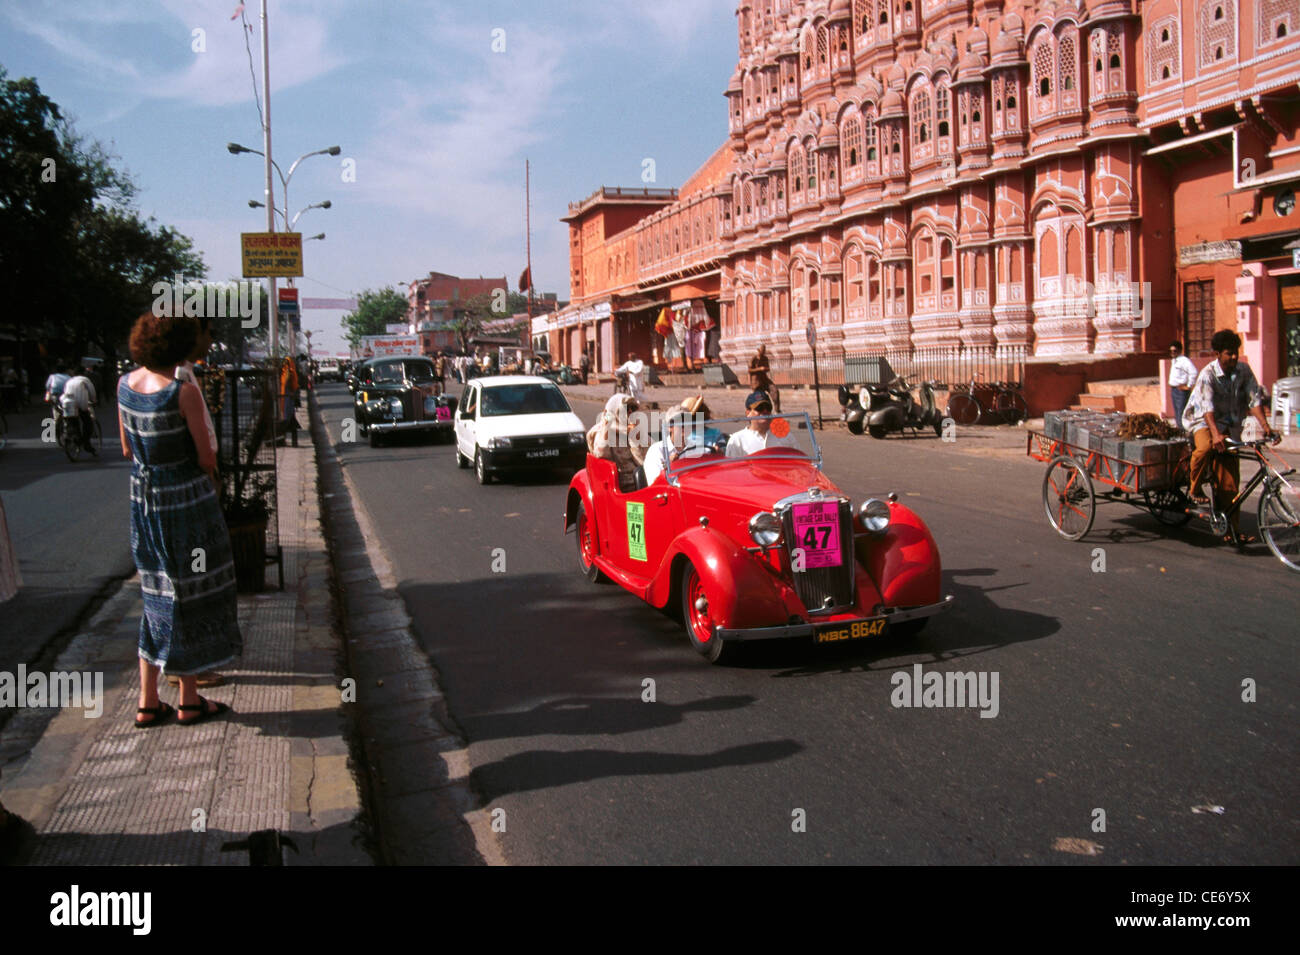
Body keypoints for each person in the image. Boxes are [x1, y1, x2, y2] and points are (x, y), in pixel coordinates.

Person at [118, 312, 240, 727]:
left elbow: (127, 450)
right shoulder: (181, 392)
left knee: (156, 592)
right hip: (185, 502)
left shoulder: (123, 386)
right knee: (191, 592)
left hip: (143, 501)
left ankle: (148, 700)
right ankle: (189, 699)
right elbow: (206, 457)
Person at [1182, 328, 1277, 542]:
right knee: (1205, 447)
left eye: (1235, 352)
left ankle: (1233, 532)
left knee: (1230, 483)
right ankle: (1193, 487)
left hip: (1229, 426)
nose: (1233, 356)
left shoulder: (1243, 371)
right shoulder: (1208, 374)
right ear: (1217, 354)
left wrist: (1266, 426)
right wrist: (1215, 435)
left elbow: (1254, 400)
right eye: (1228, 353)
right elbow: (1207, 408)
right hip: (1202, 421)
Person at [171, 316, 224, 689]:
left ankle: (185, 662)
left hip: (183, 487)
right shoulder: (179, 379)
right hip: (189, 488)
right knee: (190, 577)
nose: (211, 340)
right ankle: (186, 667)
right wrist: (209, 472)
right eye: (207, 333)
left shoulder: (188, 374)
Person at [727, 390, 798, 456]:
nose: (765, 411)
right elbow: (731, 468)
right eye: (759, 408)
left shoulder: (786, 437)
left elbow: (800, 463)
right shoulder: (737, 440)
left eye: (768, 408)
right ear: (748, 413)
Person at [60, 367, 98, 454]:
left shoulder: (69, 381)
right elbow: (92, 391)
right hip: (80, 404)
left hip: (68, 404)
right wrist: (94, 400)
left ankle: (73, 437)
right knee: (88, 423)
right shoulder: (85, 380)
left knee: (72, 422)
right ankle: (86, 443)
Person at [1168, 340, 1197, 425]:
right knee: (1177, 412)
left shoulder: (1184, 361)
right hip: (1174, 389)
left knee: (1182, 412)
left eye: (1175, 351)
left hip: (1181, 390)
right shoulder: (1174, 360)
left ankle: (1184, 433)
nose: (1172, 353)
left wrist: (1188, 386)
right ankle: (1180, 432)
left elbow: (1193, 372)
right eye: (1171, 351)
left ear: (1180, 350)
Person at [749, 345, 781, 413]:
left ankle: (777, 410)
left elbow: (768, 368)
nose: (763, 352)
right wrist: (759, 369)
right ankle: (761, 412)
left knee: (775, 391)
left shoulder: (765, 358)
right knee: (761, 398)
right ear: (759, 350)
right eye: (762, 351)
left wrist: (764, 368)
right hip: (757, 382)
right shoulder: (754, 359)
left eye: (764, 351)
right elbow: (749, 370)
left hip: (765, 379)